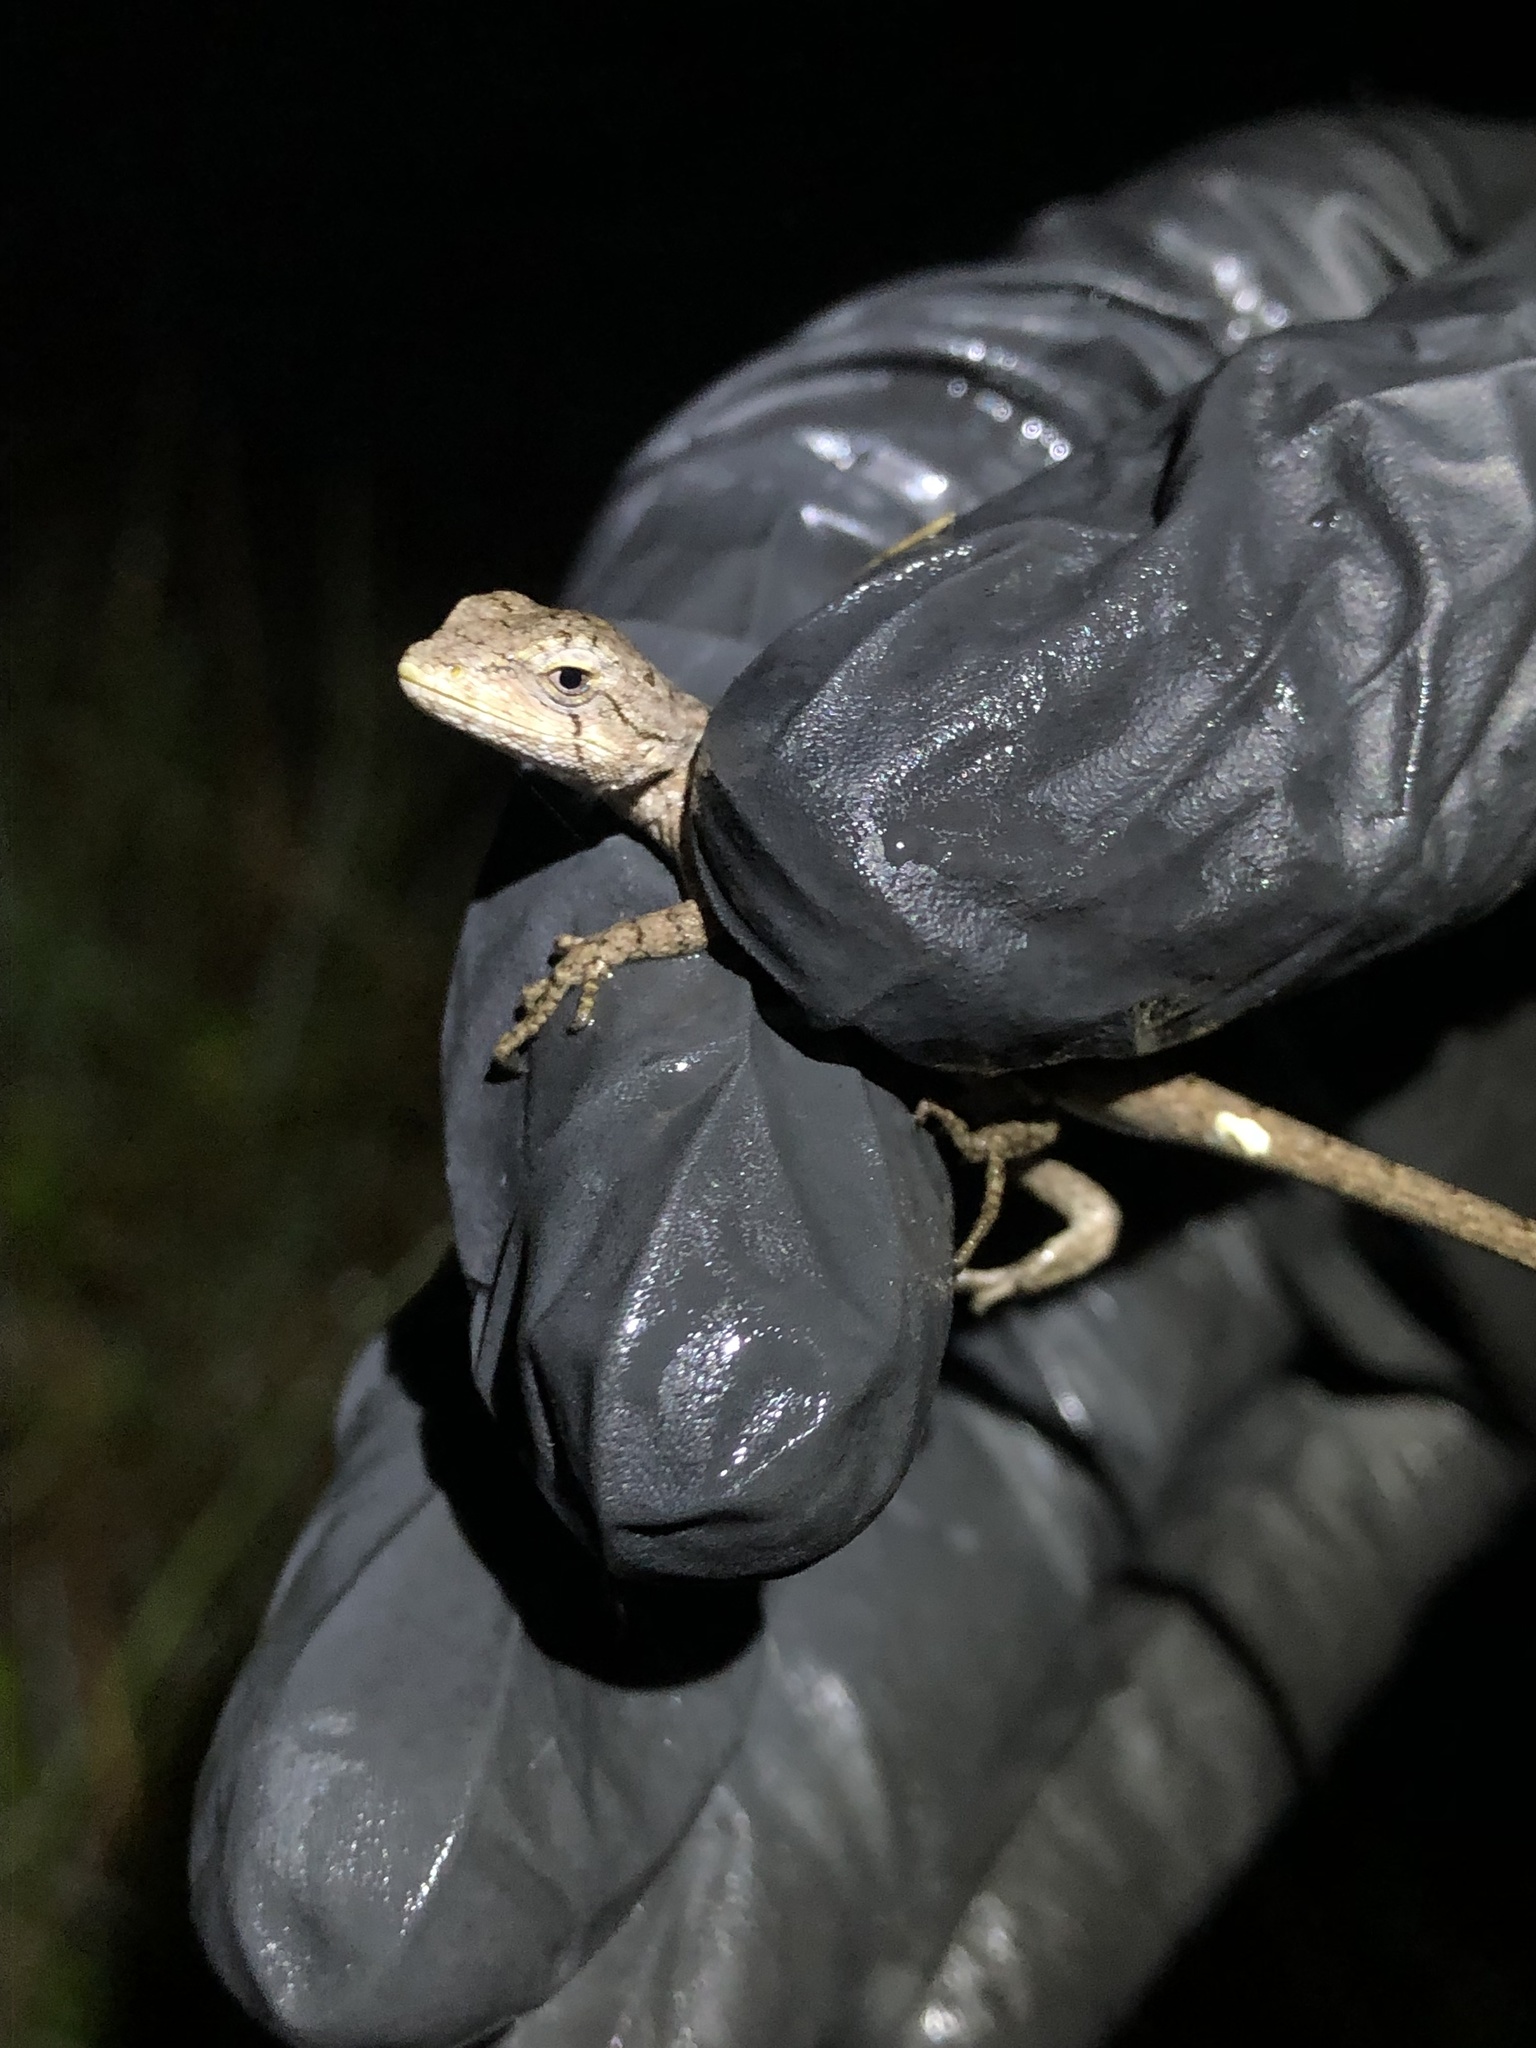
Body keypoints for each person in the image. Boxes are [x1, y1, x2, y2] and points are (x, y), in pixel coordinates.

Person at [190, 108, 1536, 2047]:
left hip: (1195, 1083)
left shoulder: (726, 787)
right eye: (525, 670)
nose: (502, 688)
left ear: (612, 695)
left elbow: (715, 926)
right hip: (1194, 1068)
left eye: (551, 674)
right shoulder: (668, 794)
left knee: (1108, 1158)